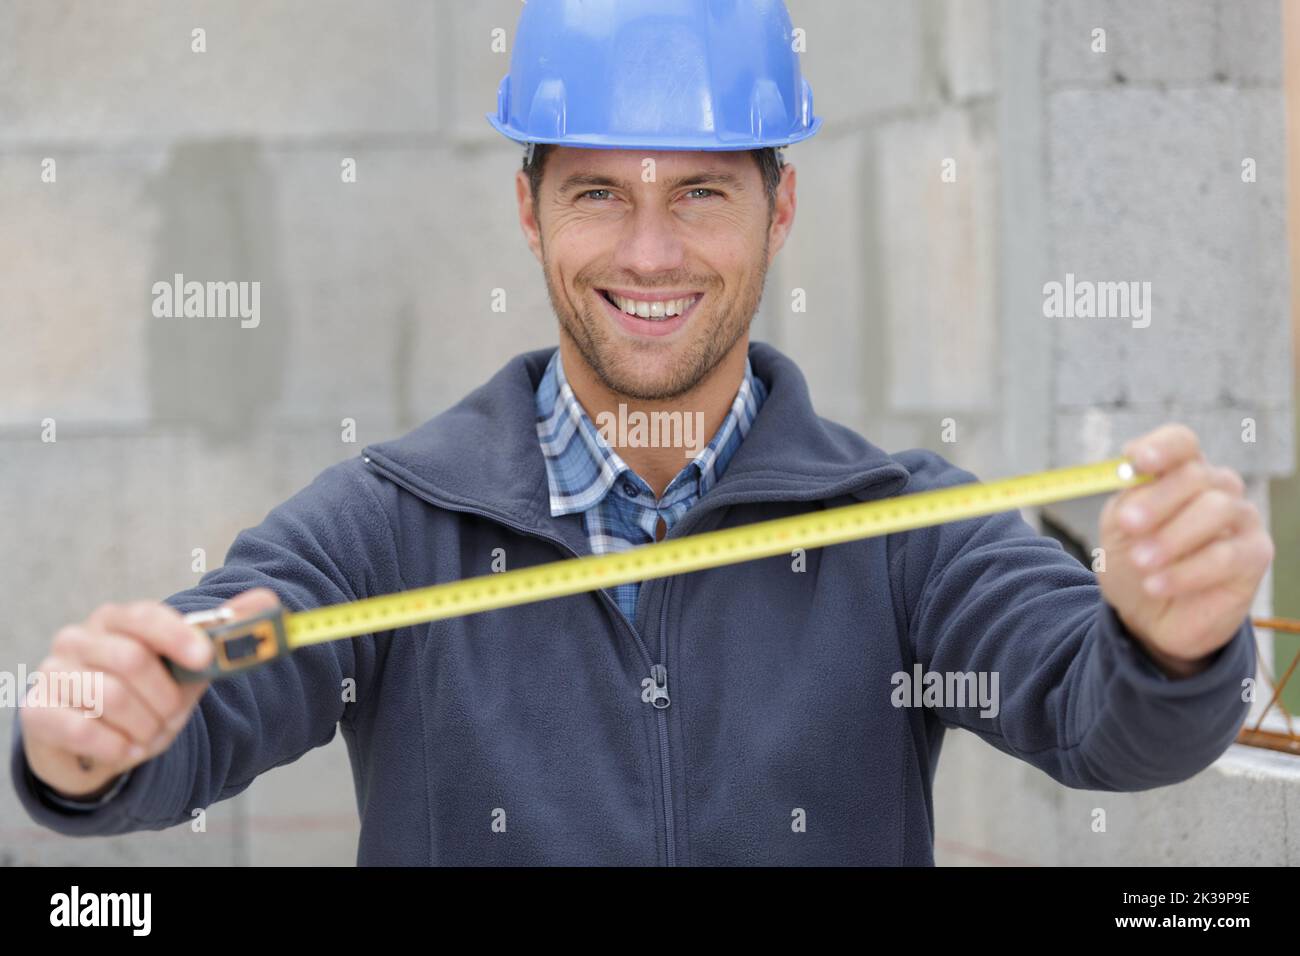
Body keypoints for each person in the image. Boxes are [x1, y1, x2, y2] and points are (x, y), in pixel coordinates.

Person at [13, 0, 1272, 865]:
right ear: (530, 210)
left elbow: (1101, 716)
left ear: (780, 212)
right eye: (601, 192)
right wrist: (88, 738)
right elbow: (208, 689)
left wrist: (1173, 645)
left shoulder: (908, 533)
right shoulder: (388, 528)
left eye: (704, 192)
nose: (651, 250)